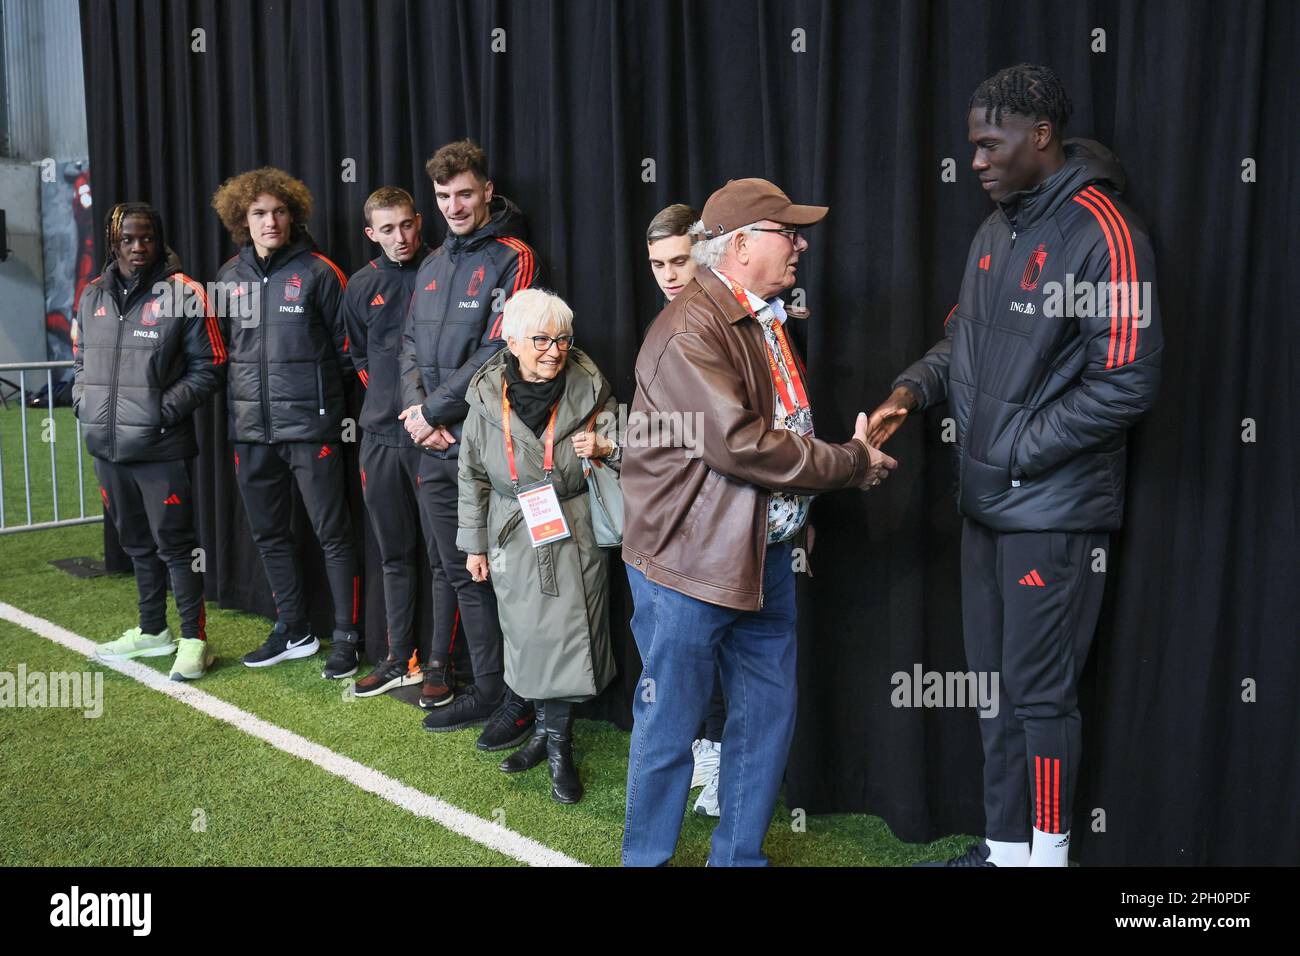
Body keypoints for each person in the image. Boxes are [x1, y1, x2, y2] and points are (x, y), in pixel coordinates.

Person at [867, 64, 1163, 868]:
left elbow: (1129, 381)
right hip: (987, 506)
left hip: (1053, 512)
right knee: (993, 692)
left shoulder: (1107, 233)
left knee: (1039, 697)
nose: (976, 160)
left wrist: (1016, 451)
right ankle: (1005, 850)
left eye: (990, 143)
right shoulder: (996, 230)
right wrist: (909, 392)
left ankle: (1049, 855)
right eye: (971, 146)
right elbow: (961, 342)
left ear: (1041, 136)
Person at [620, 178, 897, 866]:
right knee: (669, 726)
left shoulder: (761, 316)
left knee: (765, 720)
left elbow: (779, 427)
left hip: (763, 557)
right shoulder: (690, 326)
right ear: (741, 246)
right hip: (688, 564)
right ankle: (644, 860)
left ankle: (738, 858)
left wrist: (809, 499)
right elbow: (741, 444)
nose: (800, 244)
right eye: (787, 232)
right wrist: (851, 463)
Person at [399, 139, 546, 749]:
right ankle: (487, 690)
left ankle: (526, 699)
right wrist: (418, 415)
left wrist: (436, 410)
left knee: (508, 574)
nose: (454, 206)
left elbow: (501, 346)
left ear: (487, 191)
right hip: (430, 443)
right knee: (462, 571)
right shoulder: (432, 264)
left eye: (464, 193)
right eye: (442, 196)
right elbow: (408, 343)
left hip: (487, 444)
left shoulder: (515, 256)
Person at [456, 289, 618, 803]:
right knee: (525, 635)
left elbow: (644, 441)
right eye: (541, 339)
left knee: (569, 637)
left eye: (563, 339)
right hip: (512, 529)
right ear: (511, 340)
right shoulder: (484, 398)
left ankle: (558, 745)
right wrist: (474, 544)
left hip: (573, 527)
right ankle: (545, 736)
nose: (554, 350)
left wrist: (609, 445)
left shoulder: (591, 389)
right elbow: (472, 475)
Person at [211, 167, 363, 678]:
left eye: (279, 211)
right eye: (259, 213)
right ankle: (293, 628)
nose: (270, 221)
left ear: (292, 215)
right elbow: (224, 352)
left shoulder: (321, 273)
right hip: (250, 433)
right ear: (242, 220)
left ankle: (346, 637)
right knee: (271, 535)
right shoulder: (228, 278)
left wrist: (325, 411)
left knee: (333, 534)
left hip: (311, 431)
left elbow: (349, 354)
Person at [75, 202, 225, 680]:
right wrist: (84, 403)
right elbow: (79, 360)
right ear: (113, 244)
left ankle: (193, 640)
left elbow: (212, 367)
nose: (138, 248)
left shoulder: (185, 294)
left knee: (175, 547)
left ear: (160, 241)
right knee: (137, 544)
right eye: (128, 240)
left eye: (147, 239)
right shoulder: (92, 295)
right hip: (107, 447)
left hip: (161, 447)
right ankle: (152, 631)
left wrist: (159, 412)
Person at [341, 187, 457, 702]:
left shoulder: (443, 270)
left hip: (436, 438)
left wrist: (426, 415)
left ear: (419, 221)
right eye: (386, 229)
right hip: (380, 438)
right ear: (371, 233)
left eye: (406, 225)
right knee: (394, 553)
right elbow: (358, 359)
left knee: (443, 556)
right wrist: (392, 407)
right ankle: (399, 657)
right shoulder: (362, 285)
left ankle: (440, 664)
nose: (400, 237)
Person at [644, 202, 725, 817]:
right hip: (676, 523)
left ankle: (723, 756)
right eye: (657, 264)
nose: (669, 274)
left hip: (732, 518)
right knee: (679, 652)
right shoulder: (667, 323)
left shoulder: (734, 322)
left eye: (680, 260)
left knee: (731, 651)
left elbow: (739, 435)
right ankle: (703, 746)